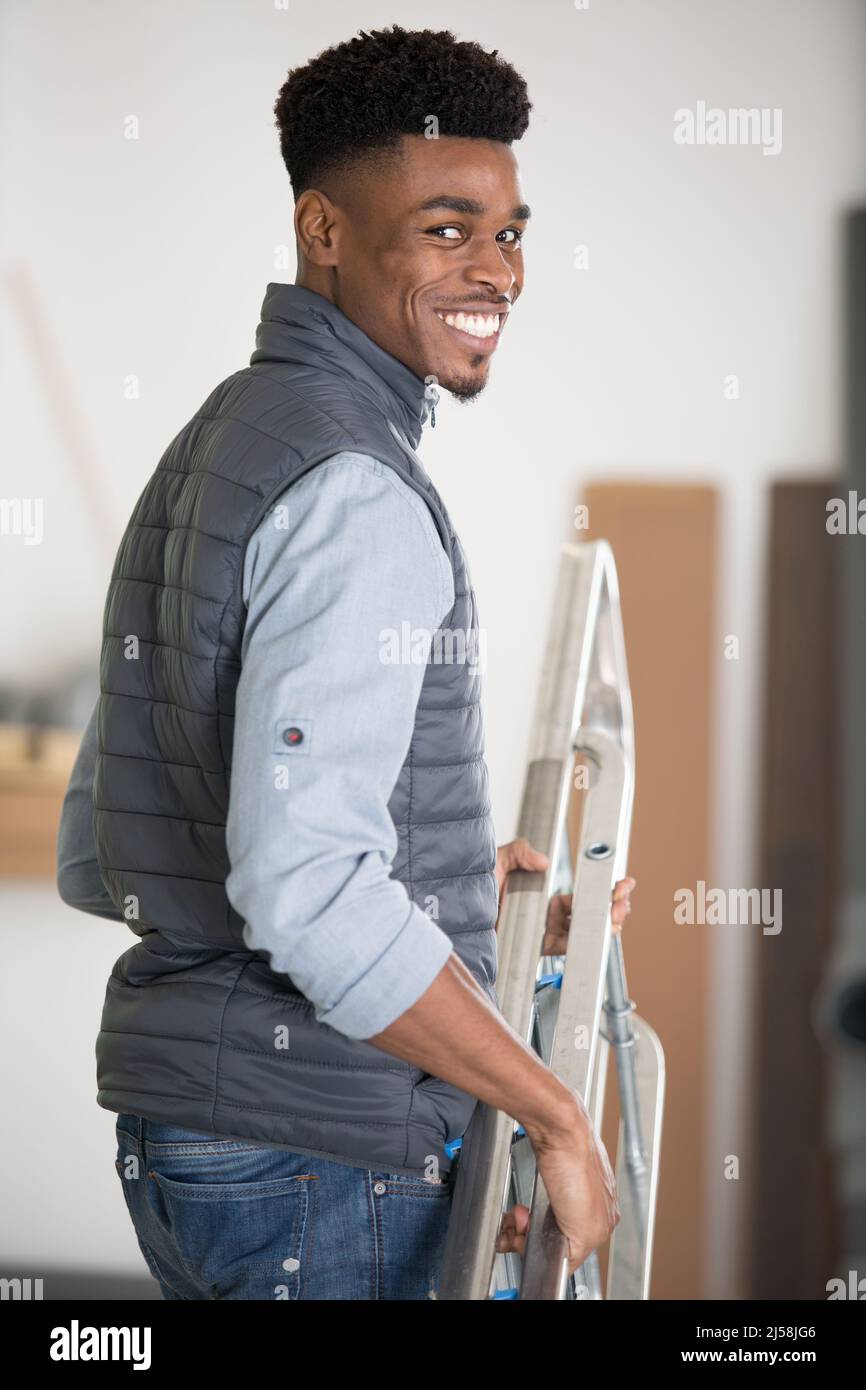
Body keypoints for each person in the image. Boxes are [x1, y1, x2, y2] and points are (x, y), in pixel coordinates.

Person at [56, 23, 635, 1301]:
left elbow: (110, 848)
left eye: (510, 230)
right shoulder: (358, 489)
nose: (497, 271)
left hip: (197, 1144)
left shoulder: (223, 438)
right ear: (323, 228)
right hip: (319, 1153)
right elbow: (306, 889)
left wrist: (425, 876)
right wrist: (554, 1113)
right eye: (445, 228)